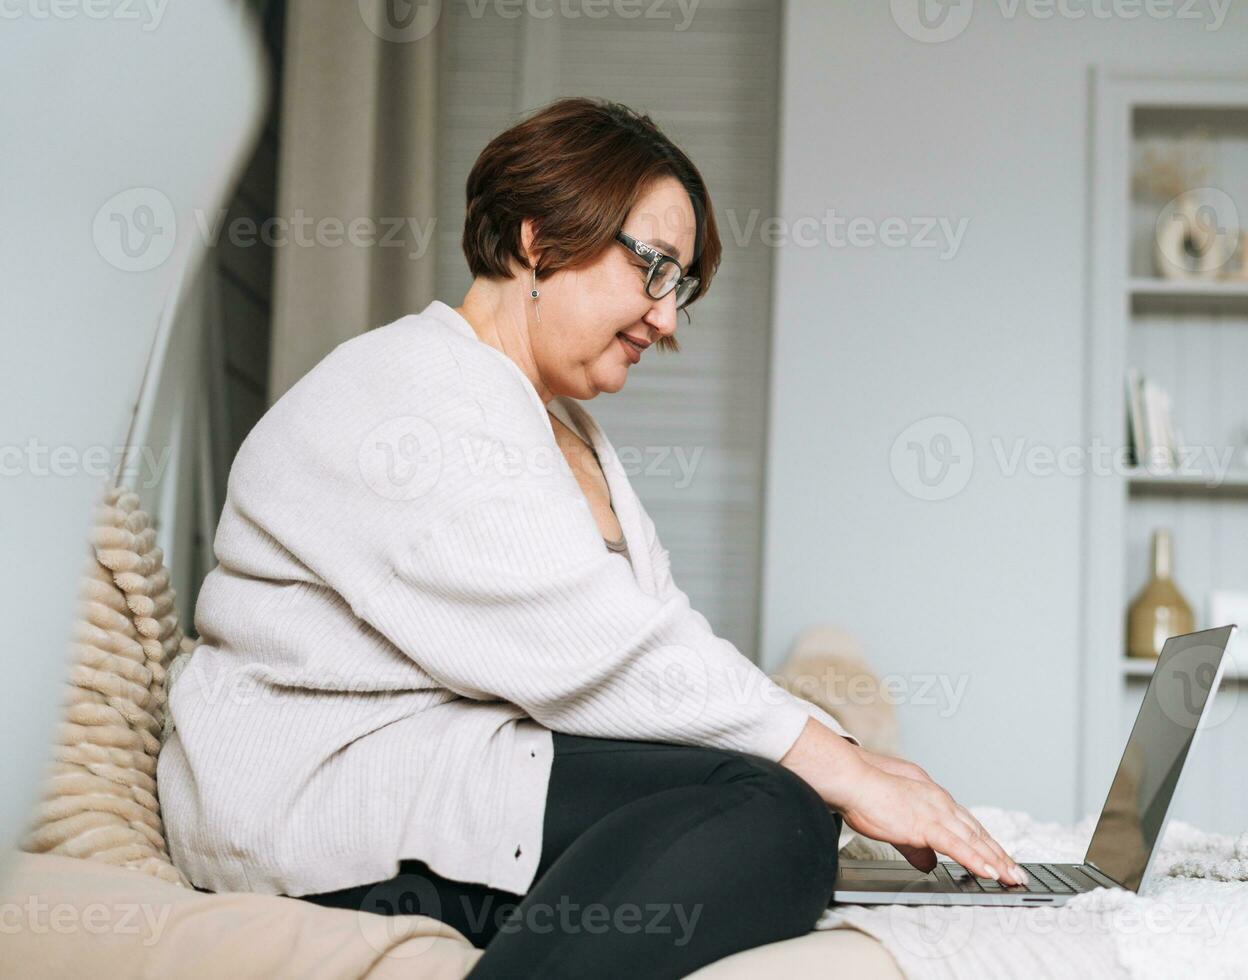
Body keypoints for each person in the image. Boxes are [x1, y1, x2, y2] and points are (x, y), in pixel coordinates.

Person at [158, 97, 1022, 979]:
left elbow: (655, 640)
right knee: (772, 810)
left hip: (451, 767)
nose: (668, 319)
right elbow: (597, 649)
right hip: (319, 798)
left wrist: (837, 755)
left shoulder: (558, 424)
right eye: (654, 269)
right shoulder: (405, 395)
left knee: (777, 801)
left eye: (680, 288)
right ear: (539, 240)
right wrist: (838, 764)